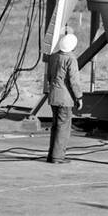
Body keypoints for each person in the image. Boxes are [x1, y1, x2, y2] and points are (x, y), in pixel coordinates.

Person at [45, 32, 82, 164]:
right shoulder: (71, 59)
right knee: (63, 127)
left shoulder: (54, 57)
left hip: (54, 96)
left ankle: (52, 154)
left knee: (55, 126)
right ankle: (58, 157)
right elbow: (74, 81)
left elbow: (49, 76)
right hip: (65, 98)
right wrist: (79, 97)